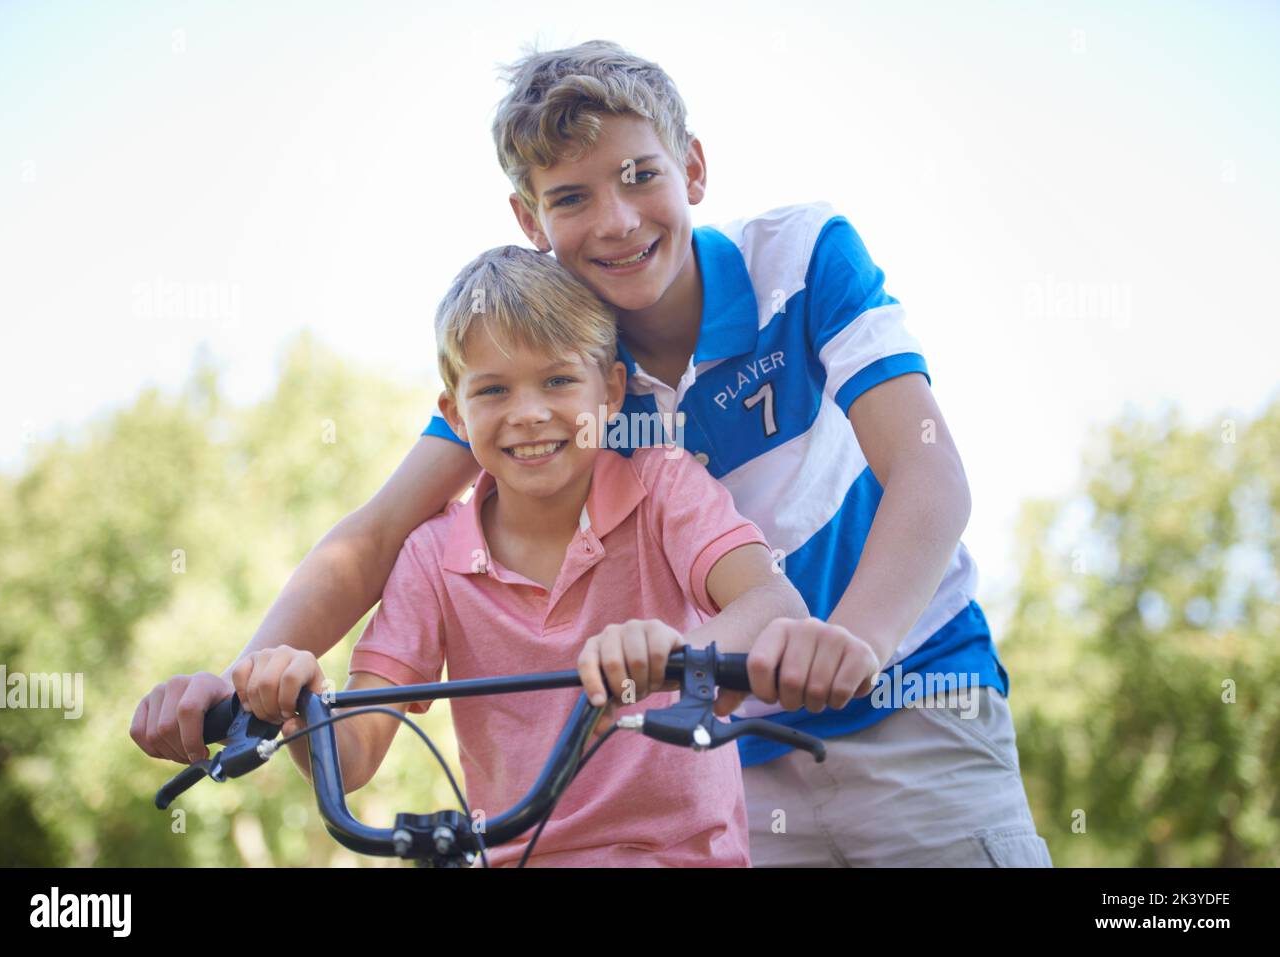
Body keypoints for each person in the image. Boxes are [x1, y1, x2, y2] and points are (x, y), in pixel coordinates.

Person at [133, 39, 1050, 867]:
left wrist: (849, 643)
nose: (614, 221)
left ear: (692, 166)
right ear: (531, 218)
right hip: (727, 747)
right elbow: (374, 538)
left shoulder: (800, 260)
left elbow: (929, 475)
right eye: (571, 196)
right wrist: (244, 682)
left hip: (910, 685)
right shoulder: (552, 367)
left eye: (640, 175)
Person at [229, 244, 811, 866]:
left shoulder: (663, 486)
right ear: (455, 413)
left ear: (612, 392)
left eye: (558, 380)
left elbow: (777, 604)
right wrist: (299, 704)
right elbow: (352, 761)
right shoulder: (432, 556)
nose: (529, 414)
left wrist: (675, 652)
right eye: (493, 390)